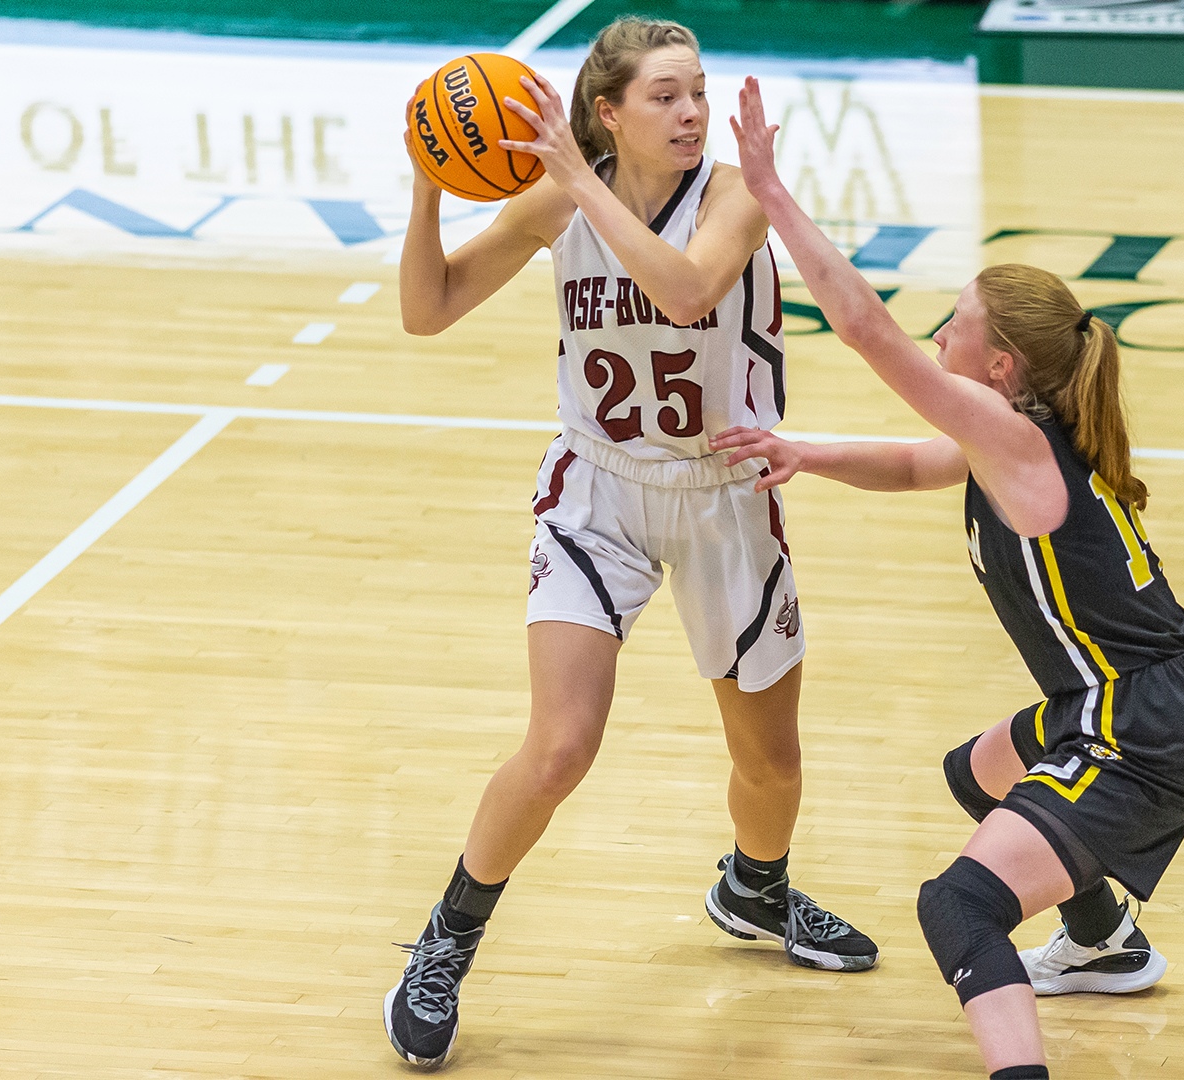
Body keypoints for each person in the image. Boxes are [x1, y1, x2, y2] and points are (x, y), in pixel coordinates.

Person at [710, 78, 1184, 1079]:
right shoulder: (1016, 439)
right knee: (979, 773)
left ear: (999, 369)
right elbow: (913, 463)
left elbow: (866, 332)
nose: (938, 335)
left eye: (954, 325)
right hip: (1140, 697)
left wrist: (772, 197)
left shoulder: (1015, 442)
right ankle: (1104, 943)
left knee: (957, 905)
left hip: (1142, 728)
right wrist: (804, 453)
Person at [384, 21, 878, 1069]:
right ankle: (443, 945)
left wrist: (578, 181)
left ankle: (757, 887)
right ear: (608, 113)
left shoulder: (738, 194)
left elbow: (689, 290)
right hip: (596, 493)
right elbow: (426, 312)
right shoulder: (566, 197)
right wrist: (431, 180)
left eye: (694, 93)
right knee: (560, 743)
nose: (692, 112)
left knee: (771, 763)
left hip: (724, 493)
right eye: (664, 97)